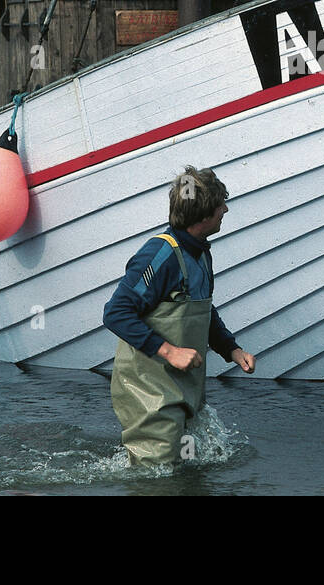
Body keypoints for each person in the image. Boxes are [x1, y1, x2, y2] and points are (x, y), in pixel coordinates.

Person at [103, 166, 255, 465]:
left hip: (185, 386)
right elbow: (116, 313)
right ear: (203, 215)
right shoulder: (159, 255)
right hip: (150, 390)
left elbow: (203, 309)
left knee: (191, 463)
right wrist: (169, 351)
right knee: (158, 475)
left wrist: (232, 350)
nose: (225, 208)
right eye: (220, 204)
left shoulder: (200, 253)